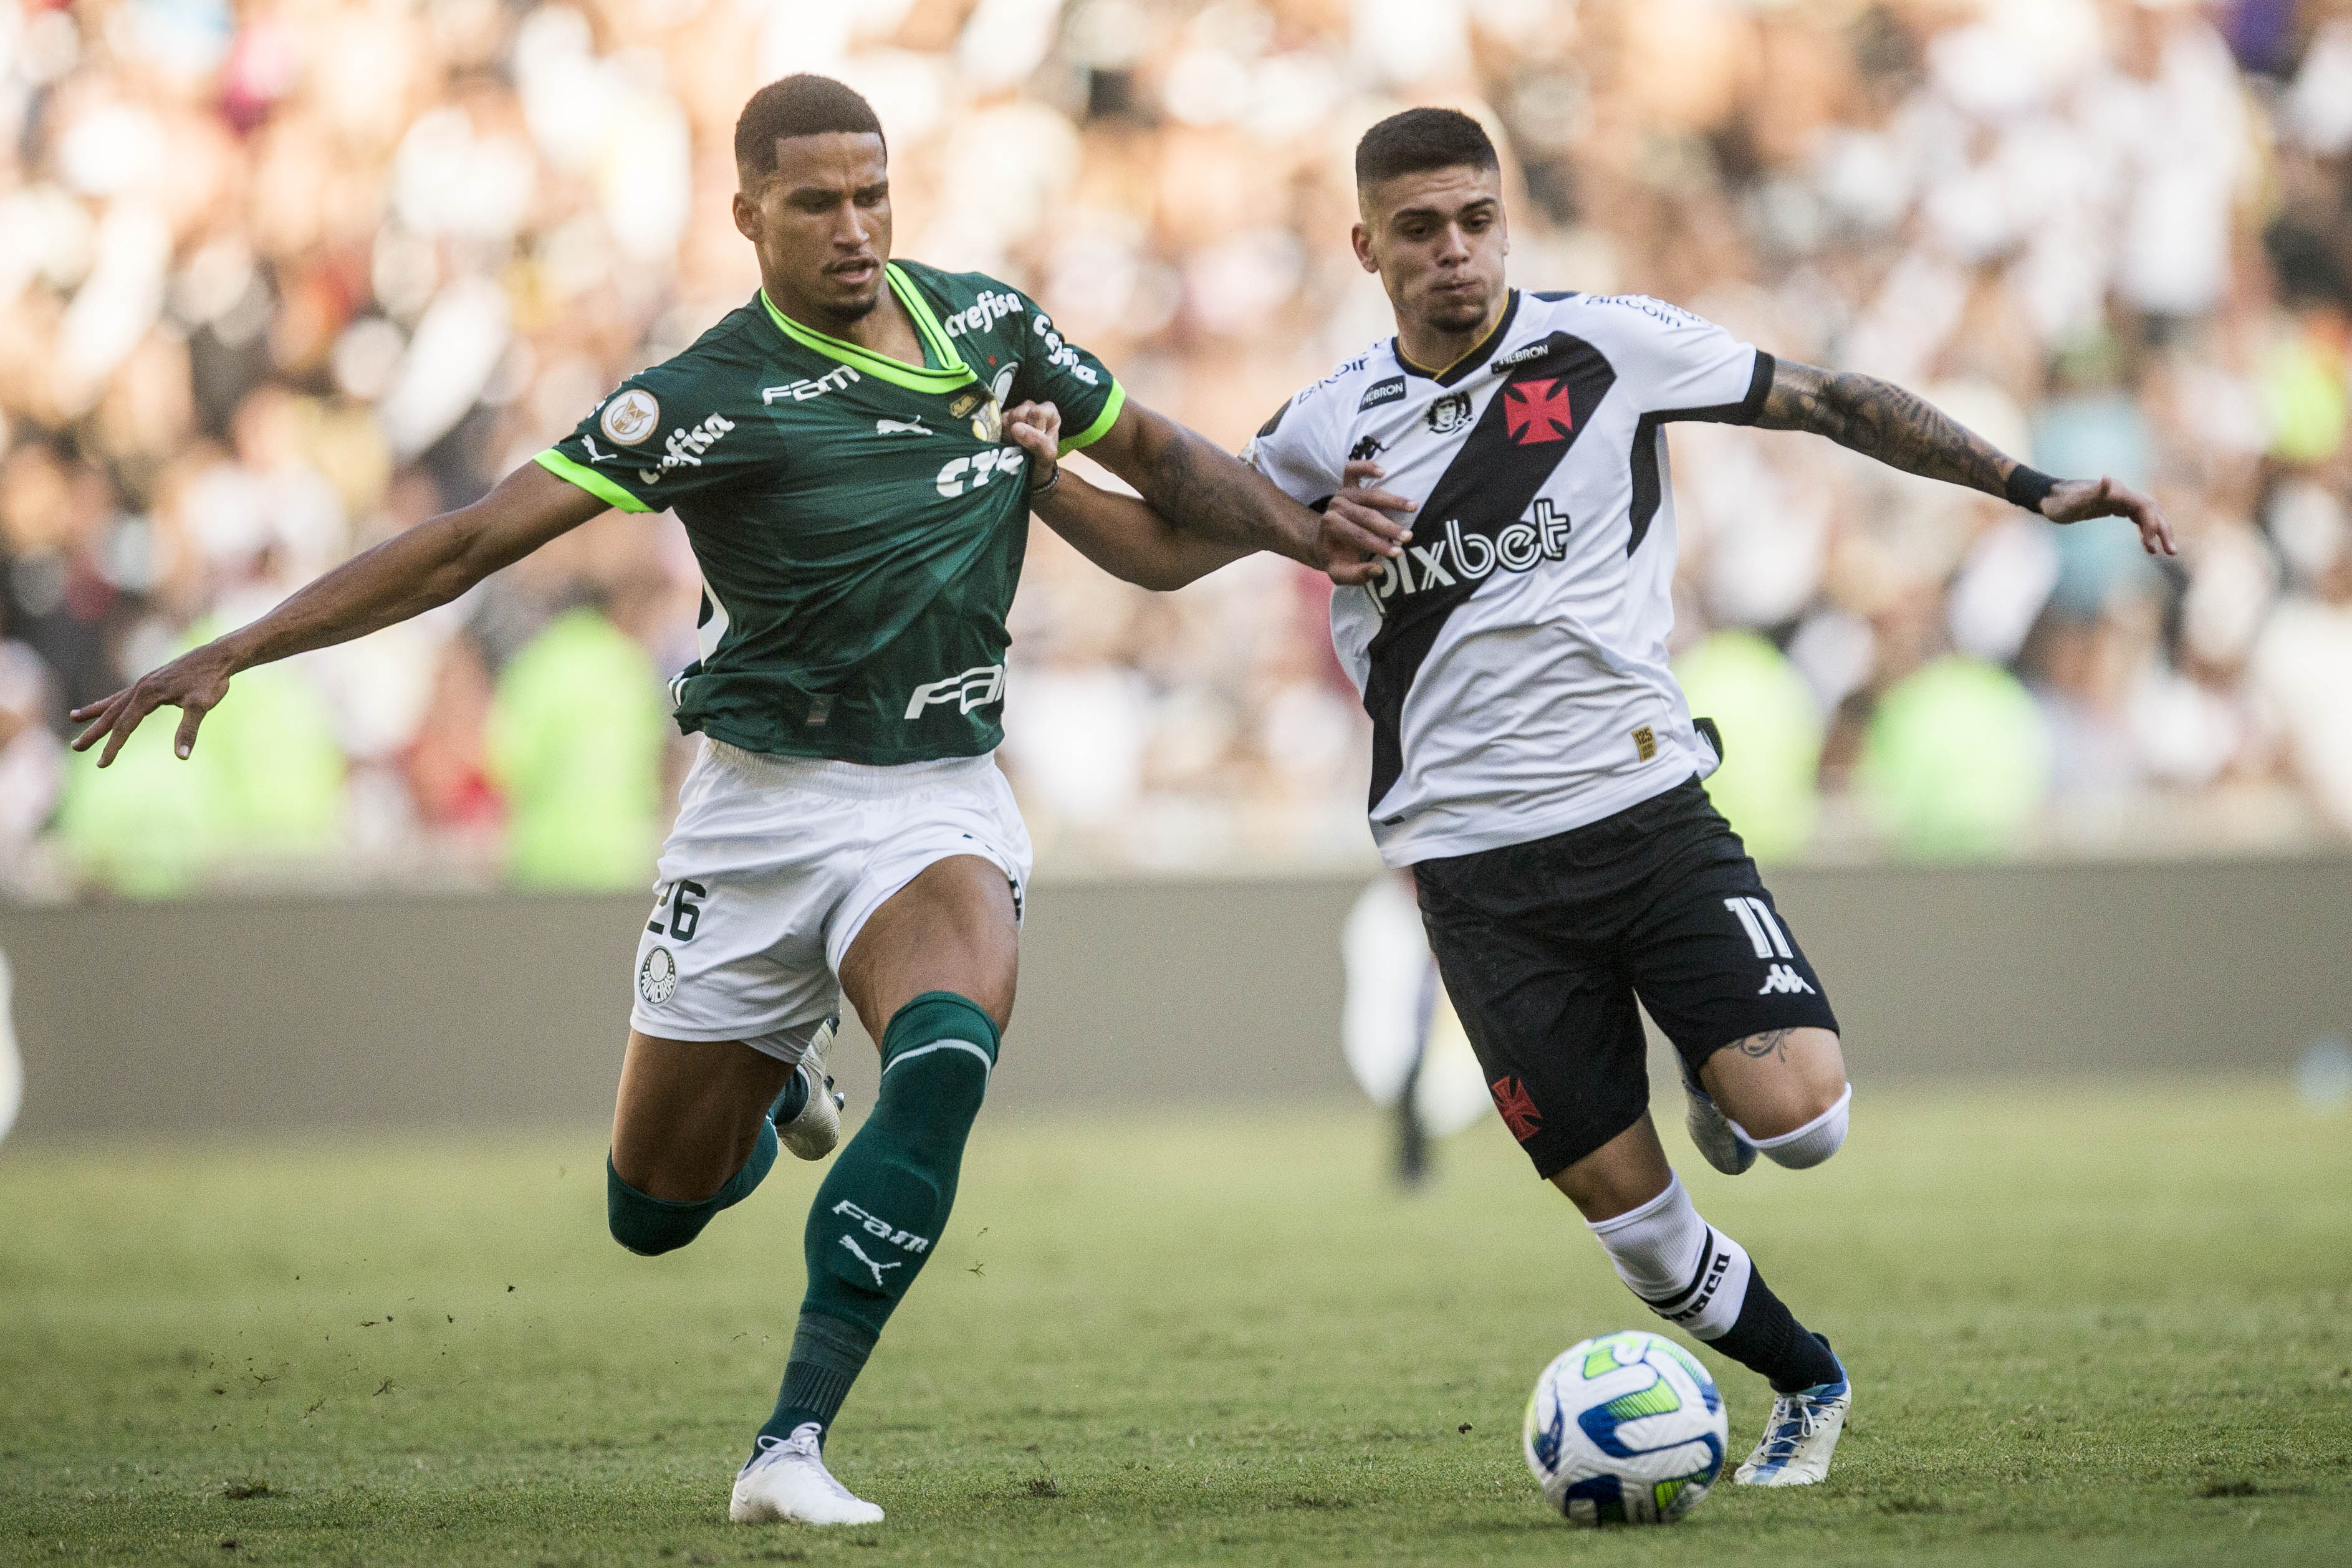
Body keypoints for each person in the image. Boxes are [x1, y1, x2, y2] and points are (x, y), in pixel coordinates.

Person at [67, 74, 1397, 1528]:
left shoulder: (991, 329)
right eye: (816, 202)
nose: (854, 227)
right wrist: (237, 648)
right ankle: (781, 1091)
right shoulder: (702, 398)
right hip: (761, 813)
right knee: (655, 1209)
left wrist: (1308, 534)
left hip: (937, 796)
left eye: (873, 194)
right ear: (747, 214)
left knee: (945, 1059)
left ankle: (791, 1443)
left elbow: (1159, 465)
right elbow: (467, 544)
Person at [1022, 107, 2175, 1491]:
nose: (1456, 252)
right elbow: (1166, 551)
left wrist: (2031, 487)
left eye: (1477, 220)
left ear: (1505, 221)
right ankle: (1807, 1379)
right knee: (1629, 1221)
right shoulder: (1327, 427)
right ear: (1366, 248)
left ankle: (1714, 1073)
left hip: (1645, 814)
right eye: (1420, 230)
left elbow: (1831, 401)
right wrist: (1044, 482)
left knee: (1806, 1123)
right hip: (1473, 870)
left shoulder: (1608, 347)